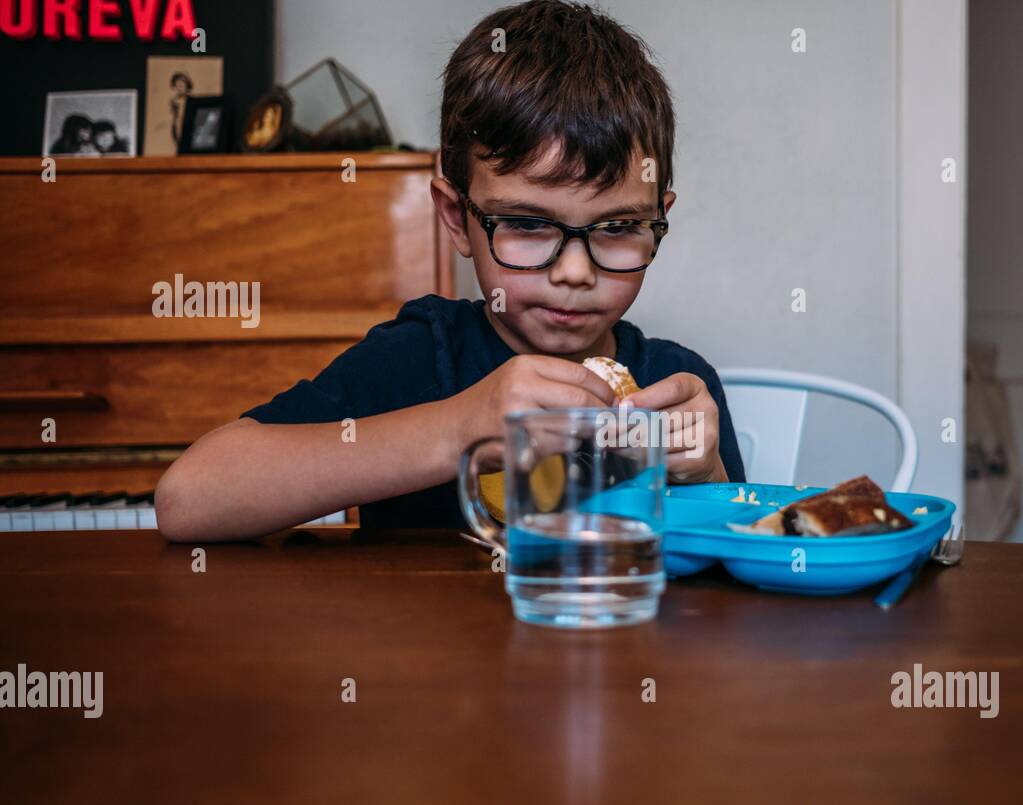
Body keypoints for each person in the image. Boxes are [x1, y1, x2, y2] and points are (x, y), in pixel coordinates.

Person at [155, 0, 744, 541]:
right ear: (457, 218)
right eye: (529, 224)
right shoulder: (418, 358)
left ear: (657, 218)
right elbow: (189, 498)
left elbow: (737, 560)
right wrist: (459, 428)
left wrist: (704, 472)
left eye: (616, 229)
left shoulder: (677, 383)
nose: (572, 272)